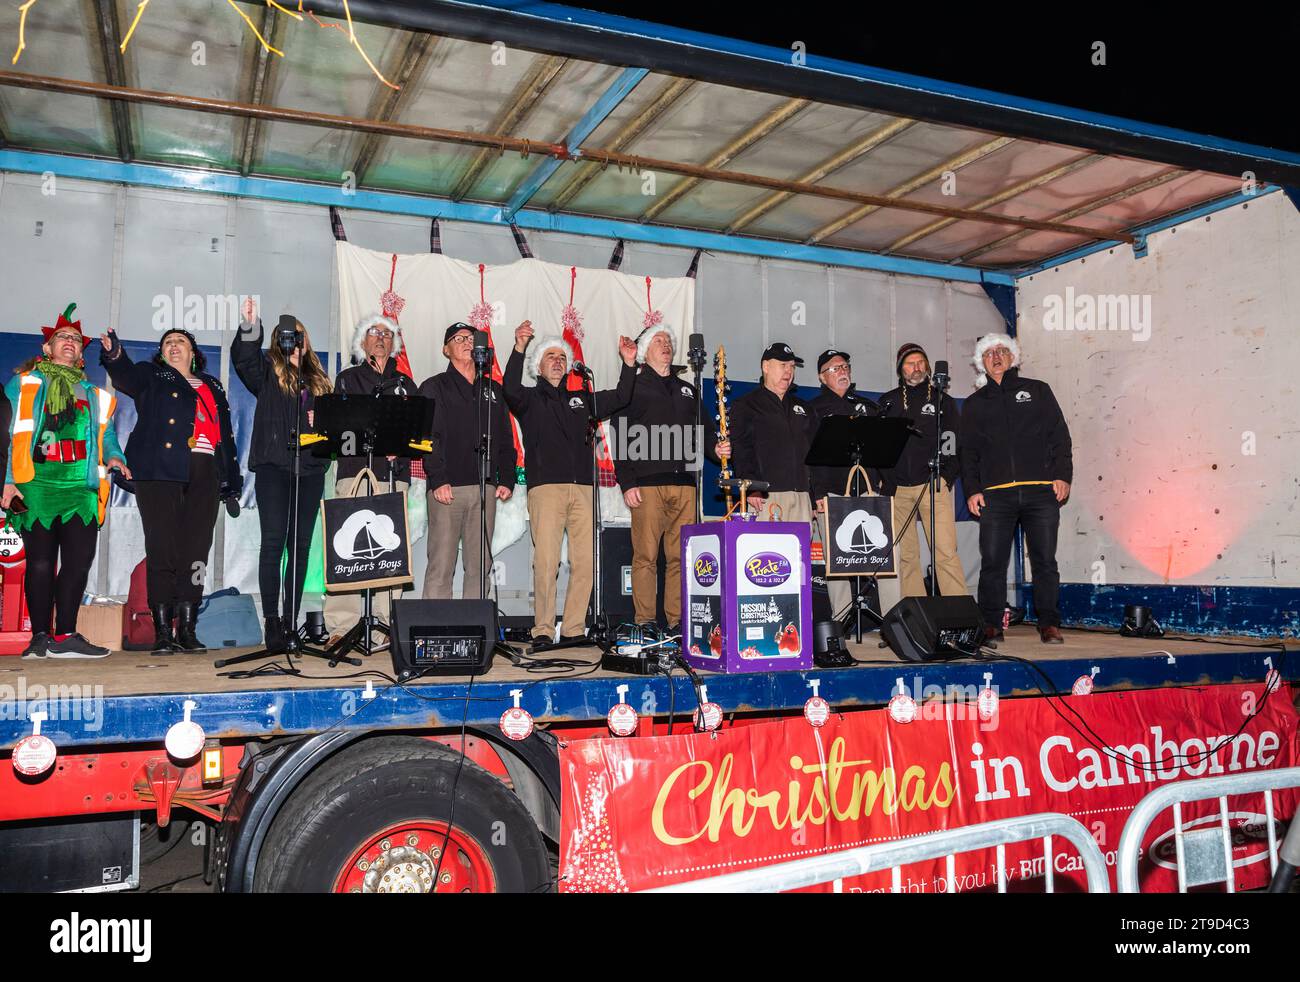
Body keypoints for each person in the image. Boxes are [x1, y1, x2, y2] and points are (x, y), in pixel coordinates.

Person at [100, 327, 241, 653]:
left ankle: (188, 630)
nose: (174, 346)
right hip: (159, 470)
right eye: (168, 343)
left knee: (196, 554)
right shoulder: (152, 376)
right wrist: (115, 356)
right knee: (162, 549)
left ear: (194, 352)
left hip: (205, 471)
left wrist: (229, 479)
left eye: (181, 342)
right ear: (162, 354)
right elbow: (125, 378)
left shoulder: (212, 384)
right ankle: (163, 631)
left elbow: (226, 435)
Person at [2, 304, 131, 658]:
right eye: (63, 337)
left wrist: (116, 455)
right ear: (48, 347)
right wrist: (8, 481)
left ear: (81, 352)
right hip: (37, 484)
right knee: (41, 561)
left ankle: (67, 635)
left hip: (81, 489)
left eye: (75, 338)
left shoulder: (95, 394)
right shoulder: (24, 383)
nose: (70, 342)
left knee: (78, 561)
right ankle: (40, 636)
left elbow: (104, 437)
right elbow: (9, 433)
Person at [503, 321, 636, 648]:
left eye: (562, 357)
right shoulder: (530, 398)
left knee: (585, 561)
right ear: (538, 365)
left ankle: (575, 627)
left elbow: (621, 397)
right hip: (546, 489)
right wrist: (519, 348)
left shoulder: (582, 398)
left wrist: (629, 364)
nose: (558, 361)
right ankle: (544, 630)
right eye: (550, 356)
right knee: (546, 561)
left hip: (583, 490)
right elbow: (508, 388)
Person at [613, 325, 728, 634]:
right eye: (658, 341)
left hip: (686, 484)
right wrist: (627, 481)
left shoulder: (687, 388)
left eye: (668, 341)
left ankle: (677, 623)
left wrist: (716, 451)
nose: (665, 345)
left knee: (680, 558)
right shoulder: (633, 386)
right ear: (645, 349)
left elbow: (704, 435)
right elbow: (620, 431)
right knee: (646, 556)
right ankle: (646, 623)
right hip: (647, 483)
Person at [232, 298, 332, 651]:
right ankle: (272, 622)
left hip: (310, 470)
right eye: (288, 336)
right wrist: (249, 329)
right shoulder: (267, 372)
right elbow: (243, 359)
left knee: (300, 547)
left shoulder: (320, 381)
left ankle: (292, 622)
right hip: (275, 467)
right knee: (274, 543)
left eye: (300, 335)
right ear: (278, 341)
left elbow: (334, 428)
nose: (295, 341)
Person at [960, 333, 1073, 644]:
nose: (996, 357)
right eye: (988, 353)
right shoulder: (973, 405)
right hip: (996, 495)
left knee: (1044, 561)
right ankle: (991, 624)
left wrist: (1063, 475)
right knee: (993, 562)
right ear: (980, 362)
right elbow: (967, 453)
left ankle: (1049, 623)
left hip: (1041, 492)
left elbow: (1060, 437)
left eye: (1002, 351)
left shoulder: (1037, 390)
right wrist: (972, 490)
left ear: (1013, 356)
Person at [322, 312, 416, 641]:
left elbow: (417, 434)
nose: (380, 338)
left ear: (395, 345)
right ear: (362, 341)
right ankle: (342, 625)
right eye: (374, 332)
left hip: (393, 474)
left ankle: (384, 623)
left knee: (389, 548)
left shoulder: (405, 384)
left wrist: (400, 447)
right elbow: (337, 428)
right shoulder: (347, 378)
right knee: (346, 545)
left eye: (388, 334)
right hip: (353, 471)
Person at [419, 323, 516, 601]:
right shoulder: (434, 386)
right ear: (445, 349)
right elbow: (428, 438)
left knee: (479, 566)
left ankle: (473, 631)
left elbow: (506, 439)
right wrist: (438, 478)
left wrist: (506, 479)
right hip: (448, 488)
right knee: (441, 563)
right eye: (458, 339)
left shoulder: (493, 390)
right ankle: (436, 631)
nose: (467, 342)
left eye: (471, 339)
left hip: (485, 488)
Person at [874, 342, 967, 599]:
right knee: (906, 556)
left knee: (945, 551)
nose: (916, 367)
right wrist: (887, 481)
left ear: (926, 365)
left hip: (932, 486)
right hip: (898, 490)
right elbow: (878, 447)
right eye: (909, 363)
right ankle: (915, 616)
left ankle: (958, 613)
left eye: (920, 362)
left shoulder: (942, 401)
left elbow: (953, 442)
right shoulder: (888, 402)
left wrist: (946, 477)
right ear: (900, 369)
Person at [808, 348, 880, 620]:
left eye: (845, 366)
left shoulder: (867, 407)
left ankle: (889, 619)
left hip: (868, 491)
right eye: (834, 368)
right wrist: (816, 493)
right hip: (832, 494)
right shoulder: (814, 409)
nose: (842, 372)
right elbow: (809, 457)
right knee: (837, 562)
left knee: (879, 556)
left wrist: (881, 484)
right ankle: (840, 619)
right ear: (821, 377)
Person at [728, 342, 818, 523]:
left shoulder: (804, 408)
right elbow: (742, 449)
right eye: (783, 365)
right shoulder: (746, 405)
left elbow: (815, 454)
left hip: (802, 495)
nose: (789, 371)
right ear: (766, 367)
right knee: (768, 549)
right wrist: (753, 486)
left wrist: (815, 496)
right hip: (767, 496)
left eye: (792, 366)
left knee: (800, 550)